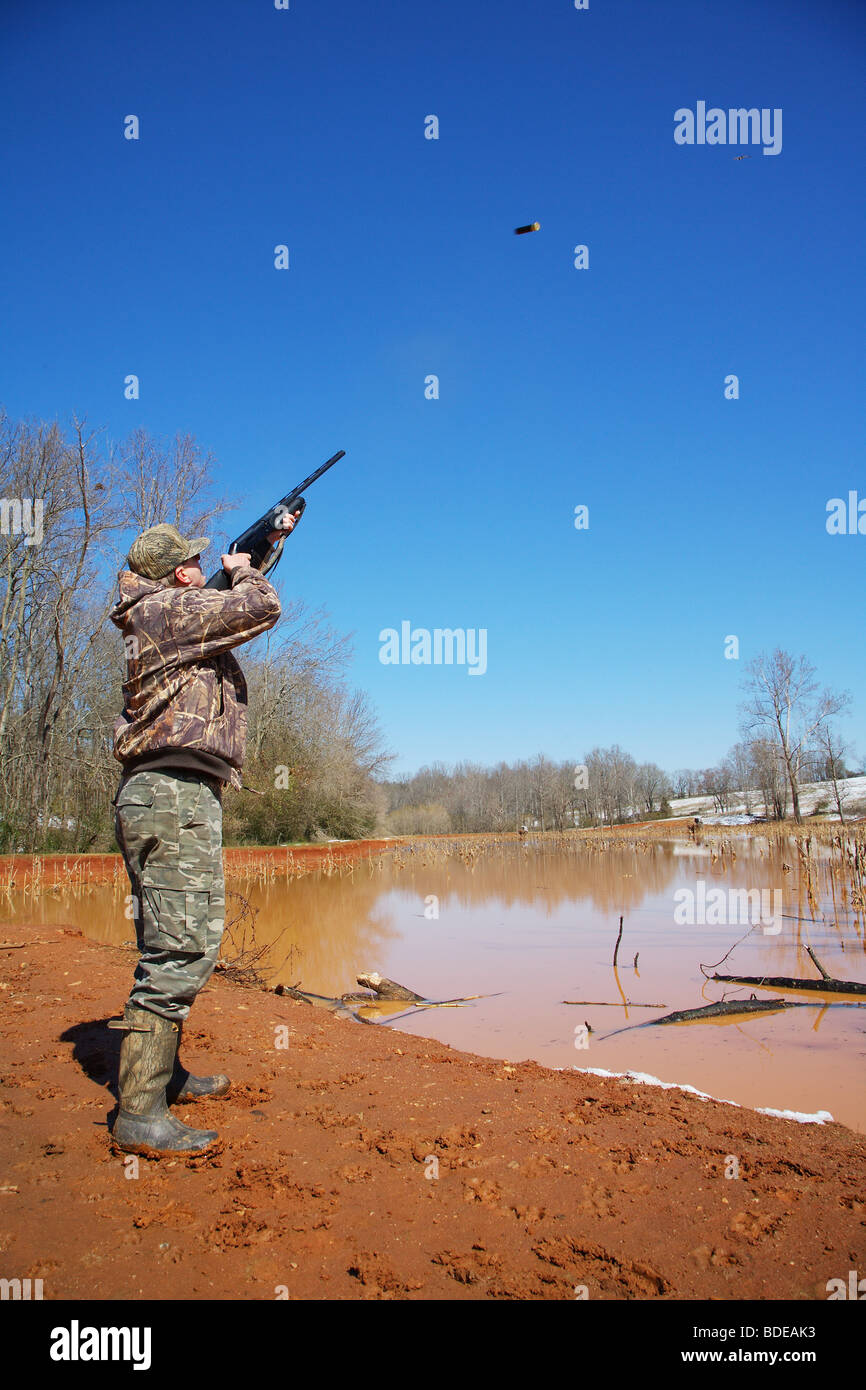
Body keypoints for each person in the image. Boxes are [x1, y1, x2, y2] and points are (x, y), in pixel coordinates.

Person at [108, 513, 296, 1155]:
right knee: (182, 946)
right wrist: (250, 574)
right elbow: (257, 608)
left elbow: (223, 608)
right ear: (175, 574)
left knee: (173, 938)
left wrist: (266, 544)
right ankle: (139, 1112)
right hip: (172, 794)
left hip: (173, 792)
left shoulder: (164, 612)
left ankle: (163, 1079)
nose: (200, 564)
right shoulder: (164, 611)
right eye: (192, 561)